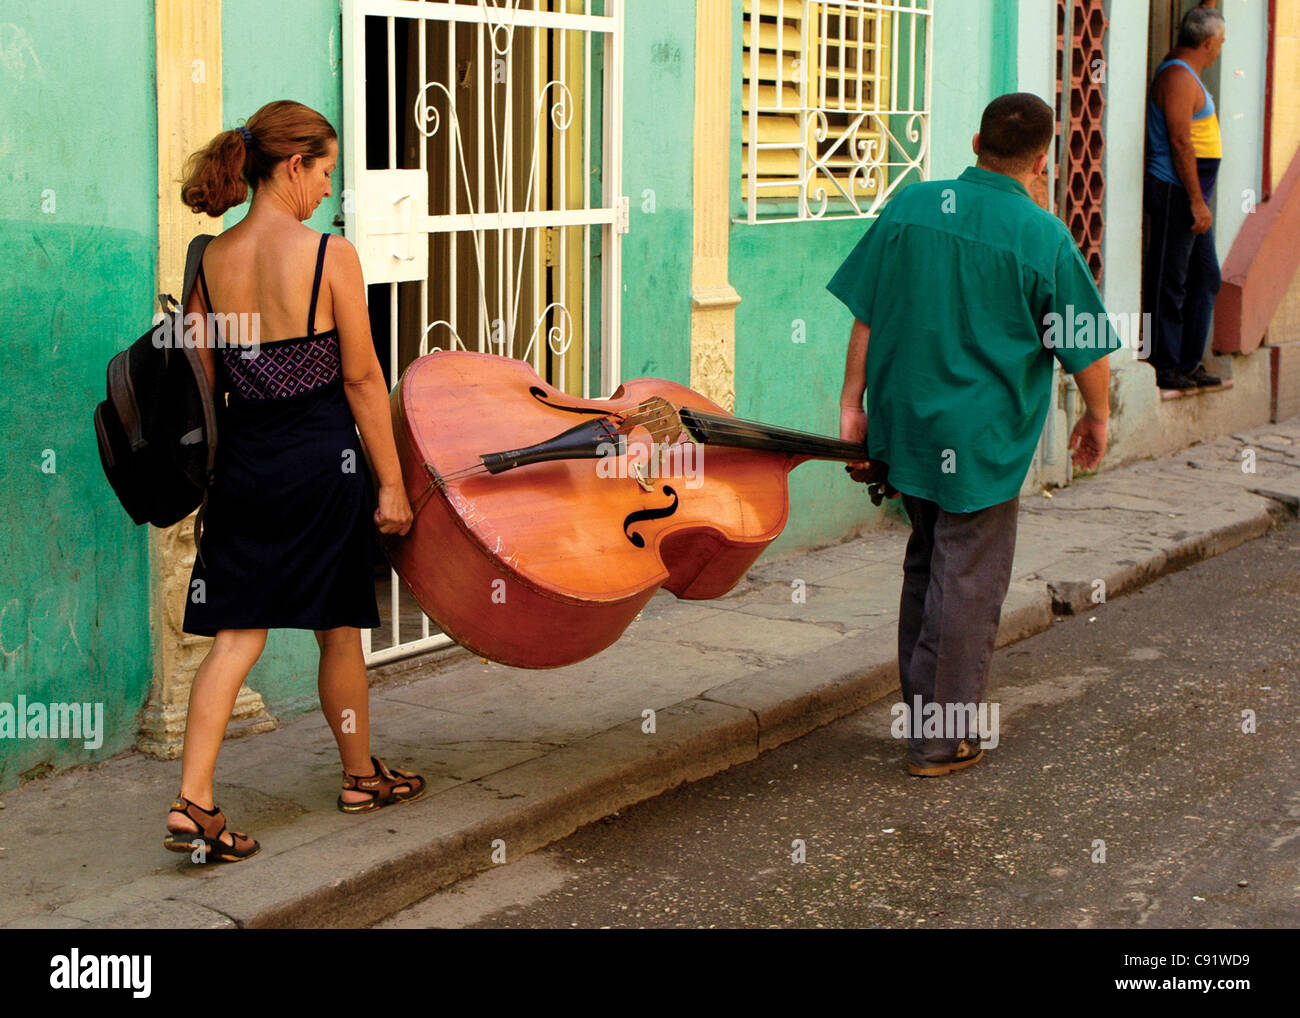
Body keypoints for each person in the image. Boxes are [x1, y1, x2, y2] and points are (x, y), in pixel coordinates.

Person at [827, 92, 1120, 777]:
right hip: (981, 440)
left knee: (927, 562)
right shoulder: (1040, 235)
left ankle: (922, 718)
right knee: (964, 580)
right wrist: (1098, 416)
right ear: (1043, 160)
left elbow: (866, 314)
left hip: (906, 425)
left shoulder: (912, 206)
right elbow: (1085, 348)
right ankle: (941, 738)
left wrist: (851, 403)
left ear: (974, 141)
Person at [163, 100, 423, 862]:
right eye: (324, 172)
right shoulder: (328, 256)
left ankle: (195, 801)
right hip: (321, 461)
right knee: (337, 625)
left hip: (243, 463)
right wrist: (392, 484)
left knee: (237, 634)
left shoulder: (211, 258)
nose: (326, 190)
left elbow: (206, 379)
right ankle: (357, 776)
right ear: (292, 165)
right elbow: (363, 378)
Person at [1142, 1, 1225, 390]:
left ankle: (1188, 361)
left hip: (1193, 195)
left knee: (1205, 276)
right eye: (1220, 40)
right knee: (1169, 278)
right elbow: (1179, 139)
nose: (1221, 47)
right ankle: (1164, 363)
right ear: (1209, 42)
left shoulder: (1187, 70)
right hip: (1177, 191)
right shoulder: (1177, 76)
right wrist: (1195, 199)